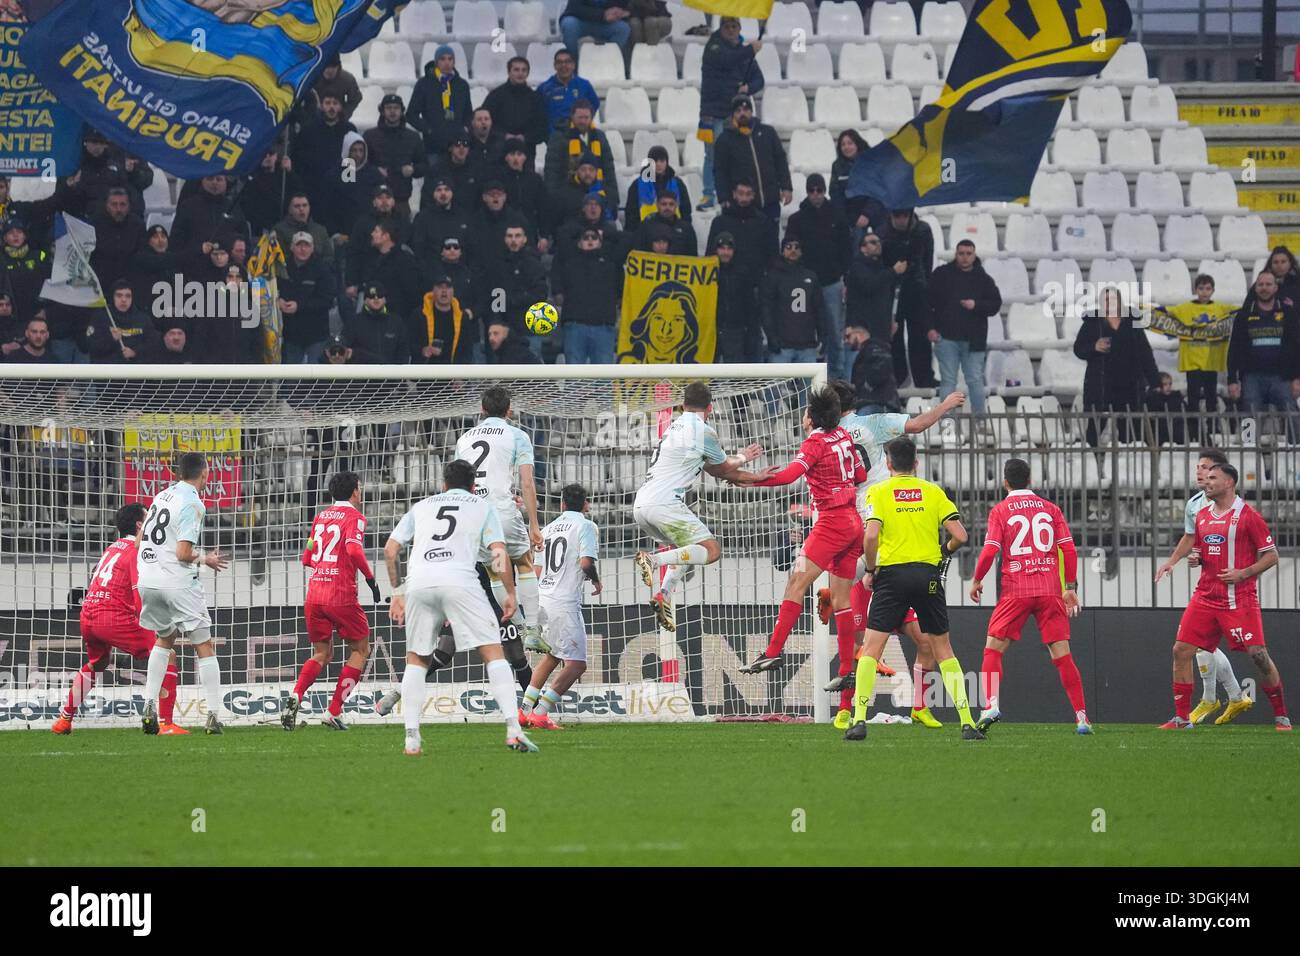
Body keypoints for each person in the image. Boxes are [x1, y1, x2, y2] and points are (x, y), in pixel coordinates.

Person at [816, 380, 962, 726]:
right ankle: (846, 711)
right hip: (880, 535)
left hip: (868, 532)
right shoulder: (872, 424)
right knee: (865, 642)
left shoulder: (826, 436)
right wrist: (945, 405)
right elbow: (917, 426)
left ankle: (919, 707)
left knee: (921, 643)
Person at [386, 459, 539, 755]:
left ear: (444, 483)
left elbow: (391, 550)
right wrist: (508, 592)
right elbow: (498, 552)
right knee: (493, 651)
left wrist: (397, 593)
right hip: (460, 581)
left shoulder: (422, 506)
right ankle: (513, 729)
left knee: (416, 659)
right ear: (473, 485)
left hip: (419, 583)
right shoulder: (483, 506)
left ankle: (412, 738)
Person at [844, 436, 983, 741]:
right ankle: (967, 723)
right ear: (916, 463)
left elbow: (870, 537)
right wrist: (944, 550)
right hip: (928, 575)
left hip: (892, 576)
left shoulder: (879, 492)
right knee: (943, 649)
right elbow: (960, 534)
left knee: (871, 649)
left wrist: (870, 569)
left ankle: (859, 720)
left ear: (889, 463)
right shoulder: (933, 492)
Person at [739, 387, 866, 676]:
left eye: (806, 410)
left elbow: (789, 475)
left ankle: (772, 653)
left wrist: (751, 480)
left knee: (796, 583)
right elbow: (861, 475)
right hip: (853, 522)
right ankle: (847, 670)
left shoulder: (815, 442)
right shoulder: (844, 436)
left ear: (810, 418)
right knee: (842, 599)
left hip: (832, 522)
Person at [1161, 462, 1290, 732]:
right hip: (1206, 597)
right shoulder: (1203, 515)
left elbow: (1272, 556)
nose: (1206, 482)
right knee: (1180, 650)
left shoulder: (1248, 516)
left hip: (1239, 599)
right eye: (1205, 478)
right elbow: (1202, 549)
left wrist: (1245, 573)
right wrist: (1196, 559)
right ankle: (1181, 719)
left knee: (1258, 656)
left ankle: (1281, 716)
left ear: (1229, 482)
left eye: (1212, 478)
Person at [968, 458, 1089, 734]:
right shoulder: (1051, 509)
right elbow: (1069, 550)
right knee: (1062, 654)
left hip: (1016, 590)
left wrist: (976, 580)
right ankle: (1082, 717)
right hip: (1049, 590)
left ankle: (992, 705)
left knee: (993, 648)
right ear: (1030, 479)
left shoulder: (1000, 510)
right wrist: (1070, 587)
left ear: (1005, 482)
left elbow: (990, 551)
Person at [632, 382, 765, 631]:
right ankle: (653, 560)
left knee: (689, 548)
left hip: (641, 505)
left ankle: (664, 594)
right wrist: (745, 455)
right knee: (712, 550)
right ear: (710, 408)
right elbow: (725, 466)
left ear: (683, 406)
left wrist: (756, 478)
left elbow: (714, 470)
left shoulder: (674, 428)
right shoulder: (702, 431)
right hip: (665, 504)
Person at [51, 505, 186, 736]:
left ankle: (64, 720)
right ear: (139, 525)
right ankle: (165, 723)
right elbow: (138, 592)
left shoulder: (111, 548)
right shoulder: (137, 550)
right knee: (167, 653)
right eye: (148, 517)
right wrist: (154, 621)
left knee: (98, 663)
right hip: (112, 616)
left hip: (88, 614)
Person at [1154, 448, 1254, 725]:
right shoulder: (1194, 504)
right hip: (1207, 585)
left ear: (1222, 475)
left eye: (1207, 468)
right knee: (1195, 646)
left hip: (1234, 589)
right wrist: (1174, 560)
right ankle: (1227, 696)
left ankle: (1222, 697)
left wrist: (1243, 572)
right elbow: (1191, 538)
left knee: (1211, 647)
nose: (1201, 473)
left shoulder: (1235, 507)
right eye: (1199, 468)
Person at [136, 452, 231, 736]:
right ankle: (214, 715)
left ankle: (149, 706)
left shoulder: (161, 496)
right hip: (176, 583)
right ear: (205, 474)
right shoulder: (193, 503)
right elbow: (183, 553)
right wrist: (206, 559)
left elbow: (141, 539)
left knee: (164, 640)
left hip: (148, 580)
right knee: (204, 644)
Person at [283, 471, 381, 732]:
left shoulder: (320, 517)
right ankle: (334, 711)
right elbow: (353, 549)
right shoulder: (356, 518)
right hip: (340, 595)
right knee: (361, 650)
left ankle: (295, 696)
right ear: (355, 492)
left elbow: (307, 557)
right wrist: (371, 580)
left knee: (321, 653)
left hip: (314, 594)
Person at [455, 387, 544, 648]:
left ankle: (517, 625)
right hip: (502, 511)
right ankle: (532, 629)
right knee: (524, 562)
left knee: (495, 572)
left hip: (474, 514)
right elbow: (527, 483)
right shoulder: (517, 435)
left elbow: (458, 481)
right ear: (509, 410)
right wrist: (534, 525)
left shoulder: (464, 440)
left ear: (482, 410)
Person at [519, 483, 601, 731]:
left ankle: (523, 712)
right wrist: (596, 579)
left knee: (553, 656)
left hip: (542, 597)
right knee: (577, 664)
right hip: (563, 602)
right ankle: (541, 713)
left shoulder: (549, 528)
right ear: (586, 504)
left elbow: (537, 570)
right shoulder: (586, 526)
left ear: (562, 504)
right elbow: (586, 563)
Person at [1073, 286, 1161, 447]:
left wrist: (1155, 381)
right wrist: (1094, 346)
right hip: (1102, 384)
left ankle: (1126, 468)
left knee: (1129, 434)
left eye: (1113, 299)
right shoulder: (1092, 323)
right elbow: (1078, 349)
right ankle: (1091, 466)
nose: (1110, 303)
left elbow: (1145, 353)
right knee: (1095, 429)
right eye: (1106, 300)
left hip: (1128, 385)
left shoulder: (1132, 323)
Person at [782, 173, 850, 380]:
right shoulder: (797, 219)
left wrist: (844, 276)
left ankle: (837, 378)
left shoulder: (837, 216)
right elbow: (789, 250)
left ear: (824, 191)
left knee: (835, 334)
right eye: (812, 190)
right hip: (804, 284)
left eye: (819, 190)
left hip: (831, 282)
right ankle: (805, 380)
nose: (816, 195)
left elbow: (847, 249)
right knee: (803, 332)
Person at [927, 238, 1001, 416]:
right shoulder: (941, 274)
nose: (965, 257)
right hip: (946, 338)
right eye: (961, 253)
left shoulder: (984, 279)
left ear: (974, 255)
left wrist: (976, 305)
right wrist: (930, 328)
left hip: (974, 340)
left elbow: (995, 305)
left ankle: (980, 423)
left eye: (969, 254)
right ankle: (948, 425)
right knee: (948, 382)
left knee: (975, 380)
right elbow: (926, 303)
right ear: (956, 254)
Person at [697, 17, 764, 211]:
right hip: (713, 112)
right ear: (721, 28)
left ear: (739, 28)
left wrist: (747, 87)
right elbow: (726, 60)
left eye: (734, 26)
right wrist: (750, 50)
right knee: (712, 155)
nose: (731, 30)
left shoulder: (744, 54)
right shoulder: (714, 47)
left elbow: (759, 79)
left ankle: (734, 193)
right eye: (727, 26)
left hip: (736, 112)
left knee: (736, 154)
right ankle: (708, 194)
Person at [1151, 273, 1234, 418]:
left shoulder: (1221, 308)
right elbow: (1164, 312)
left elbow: (1242, 311)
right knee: (1193, 398)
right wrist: (1140, 313)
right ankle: (1194, 430)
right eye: (1201, 288)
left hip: (1211, 361)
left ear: (1213, 291)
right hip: (1192, 362)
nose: (1204, 292)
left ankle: (1211, 429)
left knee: (1211, 398)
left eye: (1208, 289)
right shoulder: (1185, 308)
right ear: (1195, 290)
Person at [1226, 269, 1300, 430]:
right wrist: (1232, 379)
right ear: (1255, 288)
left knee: (1293, 415)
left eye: (1268, 284)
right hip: (1252, 377)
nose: (1264, 288)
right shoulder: (1244, 314)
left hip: (1282, 376)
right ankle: (1248, 453)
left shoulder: (1288, 312)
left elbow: (1296, 347)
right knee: (1249, 418)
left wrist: (1297, 377)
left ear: (1275, 288)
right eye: (1261, 284)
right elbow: (1234, 349)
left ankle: (1297, 450)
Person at [713, 95, 791, 228]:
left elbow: (780, 160)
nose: (742, 113)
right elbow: (720, 171)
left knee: (771, 243)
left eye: (745, 109)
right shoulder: (724, 140)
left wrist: (786, 187)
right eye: (738, 111)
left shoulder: (768, 133)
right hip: (743, 205)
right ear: (733, 114)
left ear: (751, 111)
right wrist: (724, 198)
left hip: (770, 202)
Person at [880, 207, 936, 388]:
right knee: (894, 336)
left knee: (920, 336)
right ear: (891, 215)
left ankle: (923, 377)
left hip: (916, 288)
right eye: (897, 215)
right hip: (892, 289)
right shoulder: (883, 232)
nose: (901, 219)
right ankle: (898, 376)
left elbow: (927, 261)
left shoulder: (923, 230)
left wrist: (923, 283)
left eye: (905, 215)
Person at [552, 226, 621, 364]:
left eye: (594, 238)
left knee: (602, 380)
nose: (590, 240)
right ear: (578, 242)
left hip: (604, 326)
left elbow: (628, 239)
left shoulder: (611, 263)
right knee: (574, 379)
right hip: (575, 326)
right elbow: (561, 235)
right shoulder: (569, 262)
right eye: (585, 237)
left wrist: (605, 232)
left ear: (601, 243)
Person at [761, 237, 825, 372]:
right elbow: (767, 309)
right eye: (789, 247)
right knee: (775, 389)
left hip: (807, 343)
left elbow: (819, 308)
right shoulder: (773, 277)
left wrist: (822, 334)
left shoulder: (811, 276)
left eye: (797, 247)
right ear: (782, 251)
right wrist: (771, 336)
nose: (793, 251)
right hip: (782, 344)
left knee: (811, 390)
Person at [277, 232, 337, 365]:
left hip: (316, 335)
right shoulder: (282, 267)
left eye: (306, 245)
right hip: (290, 335)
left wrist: (299, 306)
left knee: (315, 380)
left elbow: (327, 300)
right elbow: (273, 290)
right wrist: (278, 301)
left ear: (312, 248)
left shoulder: (322, 269)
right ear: (292, 247)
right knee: (291, 380)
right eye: (299, 245)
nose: (302, 249)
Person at [292, 93, 357, 215]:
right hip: (314, 190)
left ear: (341, 107)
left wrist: (348, 186)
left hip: (340, 191)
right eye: (328, 103)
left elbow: (352, 160)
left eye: (335, 103)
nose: (331, 107)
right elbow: (299, 159)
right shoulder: (309, 130)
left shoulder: (349, 130)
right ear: (321, 106)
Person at [363, 94, 427, 217]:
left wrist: (413, 169)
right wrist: (375, 171)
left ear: (402, 111)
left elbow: (424, 165)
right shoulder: (370, 136)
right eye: (388, 108)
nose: (392, 111)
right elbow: (358, 164)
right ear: (382, 111)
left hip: (401, 200)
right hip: (374, 199)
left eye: (396, 108)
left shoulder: (413, 137)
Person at [408, 45, 474, 159]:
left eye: (450, 59)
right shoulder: (424, 84)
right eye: (442, 59)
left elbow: (468, 113)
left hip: (457, 146)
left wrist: (464, 129)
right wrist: (428, 130)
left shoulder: (462, 85)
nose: (447, 62)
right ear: (436, 62)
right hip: (433, 146)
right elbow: (411, 114)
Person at [483, 57, 550, 168]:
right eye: (516, 69)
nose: (520, 73)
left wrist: (525, 137)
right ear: (509, 72)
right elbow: (485, 123)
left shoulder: (535, 98)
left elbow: (541, 127)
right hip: (499, 151)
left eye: (524, 70)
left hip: (526, 152)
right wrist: (504, 136)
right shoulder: (496, 96)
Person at [544, 100, 619, 199]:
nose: (583, 121)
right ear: (572, 117)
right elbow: (552, 172)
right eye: (580, 117)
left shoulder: (600, 137)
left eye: (586, 118)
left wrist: (612, 196)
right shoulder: (558, 138)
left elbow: (608, 169)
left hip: (597, 196)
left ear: (591, 118)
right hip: (567, 196)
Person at [713, 233, 762, 363]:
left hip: (735, 330)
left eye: (729, 249)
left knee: (735, 375)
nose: (725, 252)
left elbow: (750, 305)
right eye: (722, 248)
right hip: (711, 330)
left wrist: (750, 331)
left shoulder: (743, 272)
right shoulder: (707, 271)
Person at [83, 281, 160, 364]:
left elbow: (154, 345)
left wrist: (135, 352)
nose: (123, 300)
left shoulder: (143, 319)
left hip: (135, 372)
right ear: (112, 297)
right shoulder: (101, 317)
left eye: (128, 296)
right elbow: (89, 346)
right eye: (119, 295)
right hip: (106, 371)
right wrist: (110, 339)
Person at [830, 130, 885, 235]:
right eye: (843, 144)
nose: (846, 147)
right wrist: (846, 219)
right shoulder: (837, 166)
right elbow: (835, 194)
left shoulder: (871, 162)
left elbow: (878, 192)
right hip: (850, 217)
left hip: (874, 214)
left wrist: (867, 214)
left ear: (857, 144)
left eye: (850, 143)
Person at [845, 233, 894, 347]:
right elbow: (869, 285)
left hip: (882, 325)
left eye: (879, 242)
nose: (878, 245)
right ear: (862, 248)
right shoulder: (857, 267)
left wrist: (892, 319)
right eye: (873, 242)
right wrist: (892, 272)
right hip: (862, 326)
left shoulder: (883, 266)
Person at [625, 144, 692, 227]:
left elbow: (686, 212)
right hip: (646, 233)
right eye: (654, 161)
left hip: (674, 231)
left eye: (662, 160)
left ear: (667, 162)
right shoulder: (637, 185)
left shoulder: (678, 184)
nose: (658, 164)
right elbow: (631, 215)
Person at [538, 47, 601, 135]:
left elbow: (595, 104)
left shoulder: (584, 85)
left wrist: (583, 122)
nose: (563, 65)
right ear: (554, 66)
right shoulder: (545, 88)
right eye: (559, 62)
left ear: (573, 65)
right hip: (555, 138)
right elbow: (539, 115)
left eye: (567, 62)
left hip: (580, 134)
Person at [409, 274, 470, 364]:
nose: (444, 291)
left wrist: (460, 374)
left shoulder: (462, 318)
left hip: (453, 374)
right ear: (433, 290)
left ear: (453, 291)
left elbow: (466, 350)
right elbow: (410, 343)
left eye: (448, 287)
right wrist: (423, 351)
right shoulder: (419, 315)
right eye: (440, 287)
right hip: (424, 373)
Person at [346, 283, 409, 364]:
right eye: (371, 296)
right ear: (365, 300)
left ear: (385, 299)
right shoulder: (354, 321)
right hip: (363, 374)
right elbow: (346, 351)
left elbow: (404, 352)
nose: (376, 298)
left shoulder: (396, 321)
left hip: (391, 374)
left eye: (380, 295)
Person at [274, 193, 334, 267]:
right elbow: (278, 258)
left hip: (317, 274)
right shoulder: (279, 230)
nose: (301, 209)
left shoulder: (320, 230)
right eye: (297, 206)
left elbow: (329, 257)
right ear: (290, 209)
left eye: (304, 205)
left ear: (309, 208)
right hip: (290, 274)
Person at [632, 190, 697, 255]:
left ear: (676, 205)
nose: (667, 207)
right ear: (657, 205)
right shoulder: (646, 226)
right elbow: (637, 252)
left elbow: (693, 255)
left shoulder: (686, 228)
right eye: (664, 204)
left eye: (671, 204)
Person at [559, 0, 631, 57]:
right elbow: (574, 8)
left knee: (623, 29)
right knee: (569, 24)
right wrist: (602, 15)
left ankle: (606, 60)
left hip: (604, 24)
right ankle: (572, 63)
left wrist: (621, 13)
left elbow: (625, 6)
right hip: (580, 21)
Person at [312, 53, 362, 120]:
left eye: (333, 67)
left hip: (339, 118)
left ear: (338, 67)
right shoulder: (312, 78)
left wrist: (344, 114)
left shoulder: (347, 79)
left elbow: (356, 98)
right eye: (326, 67)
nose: (329, 70)